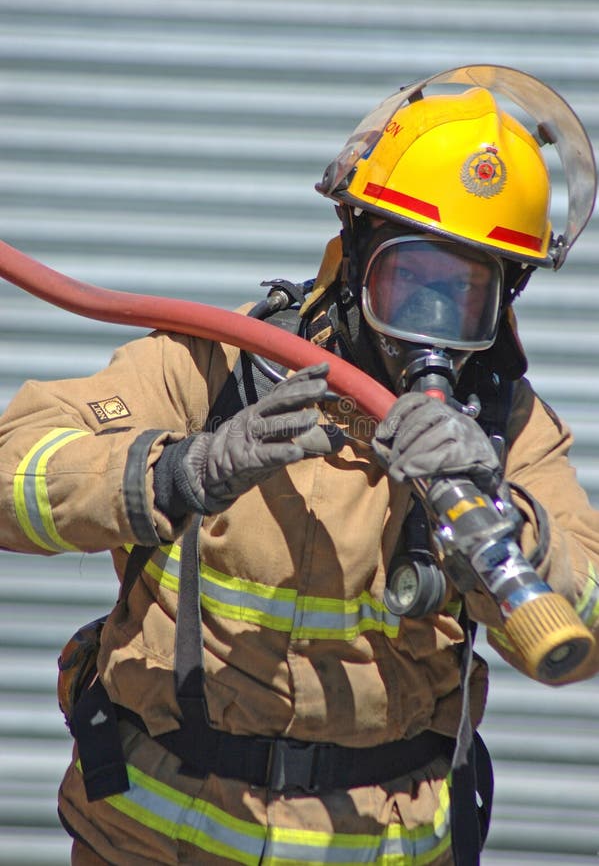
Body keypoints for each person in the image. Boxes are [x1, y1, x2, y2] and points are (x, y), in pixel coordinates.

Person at [0, 64, 598, 866]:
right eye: (408, 279)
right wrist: (174, 474)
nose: (429, 322)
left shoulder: (503, 433)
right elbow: (12, 474)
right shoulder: (211, 371)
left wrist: (505, 521)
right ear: (351, 256)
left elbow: (580, 624)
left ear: (503, 302)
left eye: (464, 294)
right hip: (152, 845)